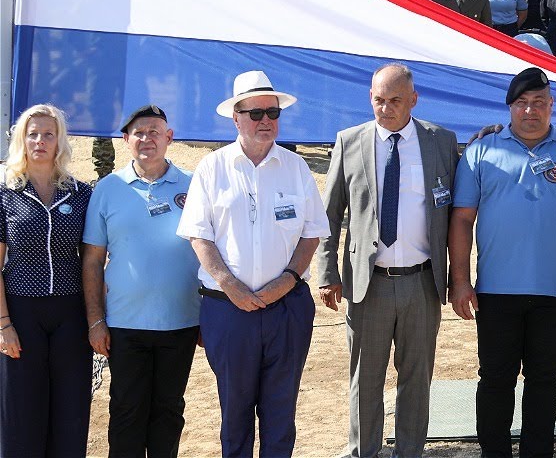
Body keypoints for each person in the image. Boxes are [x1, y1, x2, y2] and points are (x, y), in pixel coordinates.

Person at [449, 68, 556, 458]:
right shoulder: (481, 151)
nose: (530, 111)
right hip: (495, 289)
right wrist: (461, 280)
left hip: (555, 289)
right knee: (495, 379)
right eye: (521, 103)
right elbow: (462, 218)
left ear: (552, 105)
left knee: (545, 380)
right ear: (509, 107)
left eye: (539, 103)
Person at [175, 70, 330, 458]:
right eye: (256, 113)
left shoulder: (297, 167)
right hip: (229, 311)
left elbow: (312, 233)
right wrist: (230, 285)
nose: (266, 121)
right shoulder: (212, 168)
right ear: (236, 118)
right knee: (235, 416)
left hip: (287, 309)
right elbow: (199, 236)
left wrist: (288, 280)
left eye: (272, 113)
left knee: (281, 415)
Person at [318, 65, 459, 458]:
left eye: (395, 100)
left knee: (417, 378)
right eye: (379, 100)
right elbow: (329, 214)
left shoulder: (441, 142)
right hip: (369, 284)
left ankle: (409, 452)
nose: (386, 108)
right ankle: (363, 452)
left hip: (423, 283)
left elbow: (457, 211)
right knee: (365, 380)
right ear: (370, 98)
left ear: (413, 100)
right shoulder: (349, 142)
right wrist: (327, 272)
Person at [82, 104, 200, 458]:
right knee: (126, 411)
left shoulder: (194, 185)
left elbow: (210, 252)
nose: (147, 139)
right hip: (124, 324)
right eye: (139, 133)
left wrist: (208, 315)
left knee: (168, 411)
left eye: (154, 132)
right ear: (125, 140)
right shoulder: (108, 188)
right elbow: (92, 261)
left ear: (169, 137)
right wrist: (95, 320)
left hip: (181, 321)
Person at [0, 104, 93, 457]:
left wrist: (95, 318)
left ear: (60, 141)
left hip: (71, 313)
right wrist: (3, 325)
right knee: (21, 413)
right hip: (21, 313)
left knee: (71, 411)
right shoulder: (5, 194)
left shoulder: (81, 194)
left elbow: (93, 260)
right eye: (33, 134)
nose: (40, 140)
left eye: (48, 134)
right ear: (21, 140)